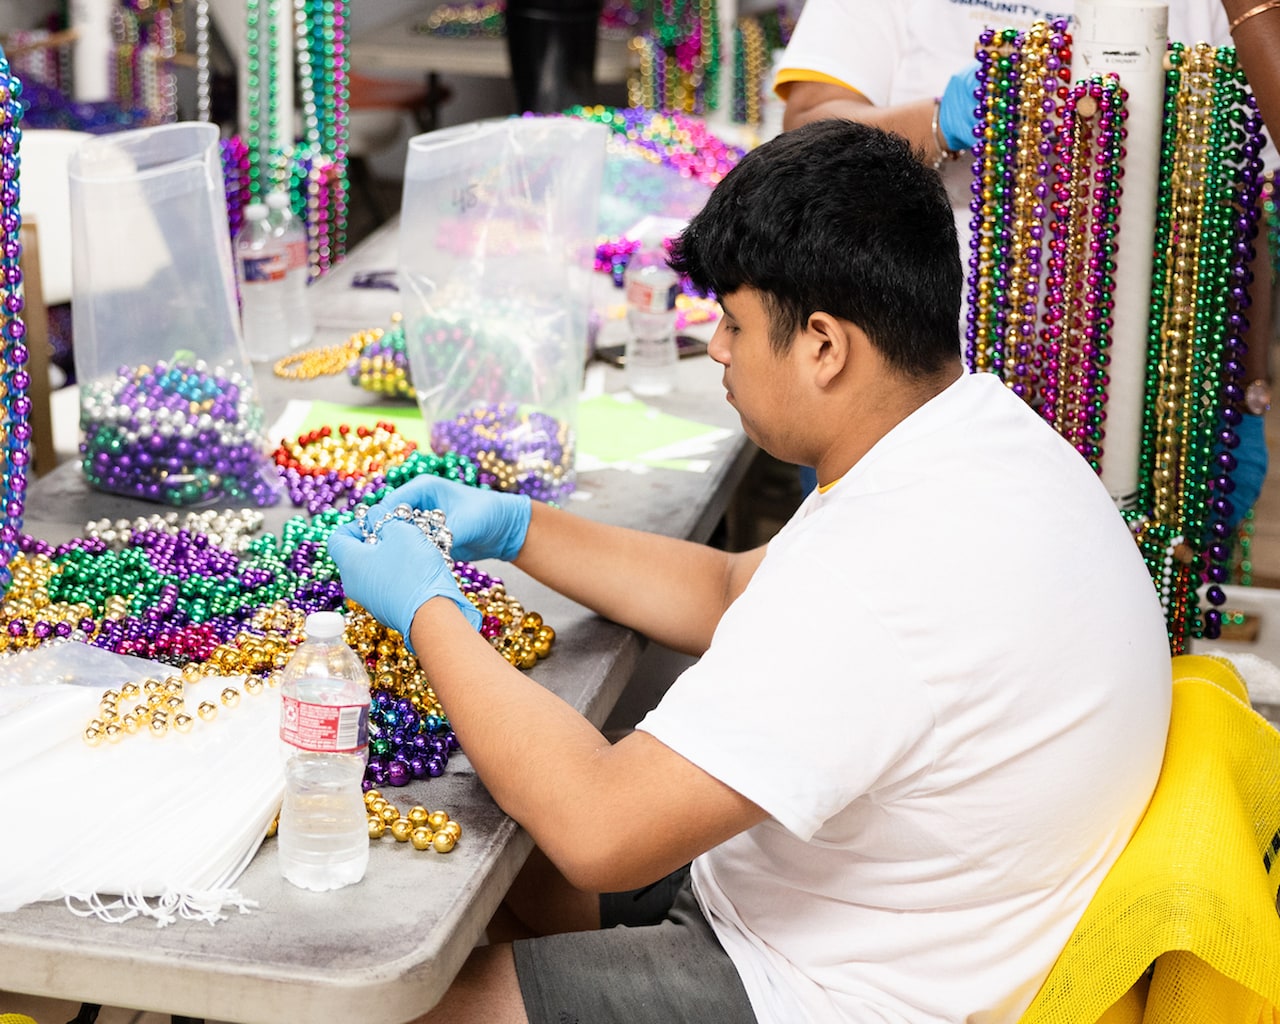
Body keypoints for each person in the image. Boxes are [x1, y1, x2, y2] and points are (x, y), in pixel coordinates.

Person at [328, 119, 1174, 1024]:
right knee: (480, 876)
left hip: (840, 988)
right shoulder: (969, 437)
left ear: (823, 346)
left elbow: (601, 829)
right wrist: (515, 527)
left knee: (385, 1005)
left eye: (734, 324)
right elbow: (731, 591)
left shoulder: (882, 580)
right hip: (861, 900)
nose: (718, 350)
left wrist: (429, 611)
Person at [778, 0, 1273, 518]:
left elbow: (1245, 202)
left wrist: (1248, 392)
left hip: (1143, 407)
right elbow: (805, 136)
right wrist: (941, 120)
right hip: (905, 391)